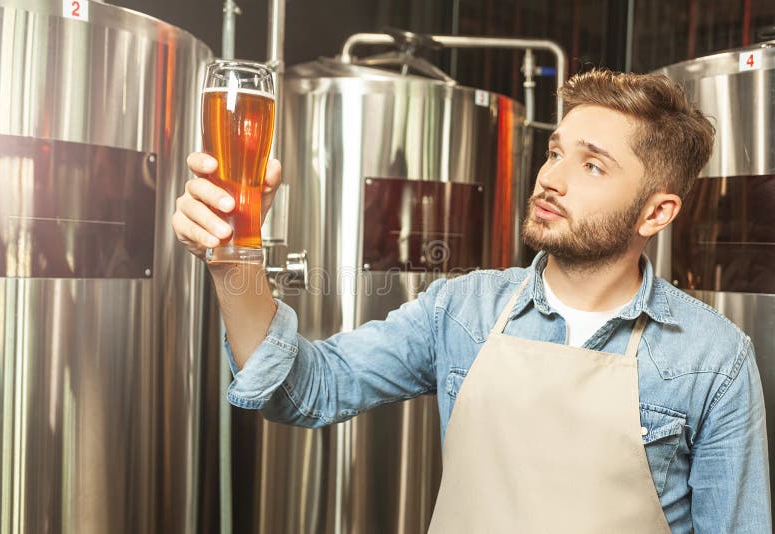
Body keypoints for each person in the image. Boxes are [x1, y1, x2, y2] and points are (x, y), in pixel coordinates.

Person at [172, 70, 771, 533]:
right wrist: (233, 257)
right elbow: (304, 388)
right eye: (555, 151)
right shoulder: (462, 309)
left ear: (657, 211)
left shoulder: (713, 359)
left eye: (592, 165)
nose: (551, 178)